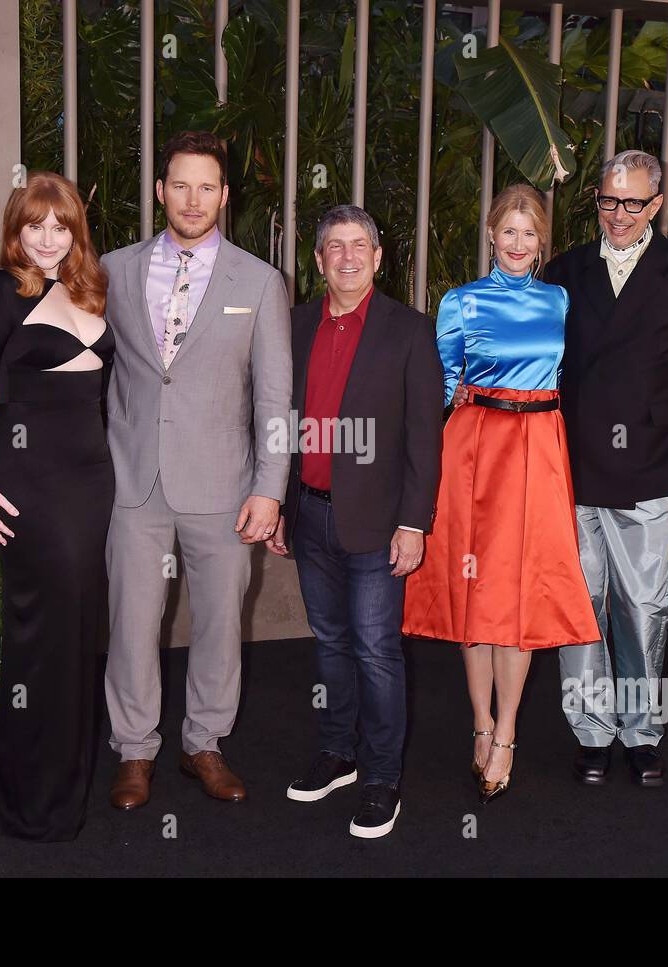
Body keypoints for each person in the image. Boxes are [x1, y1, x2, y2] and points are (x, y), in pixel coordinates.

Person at [99, 131, 291, 809]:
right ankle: (134, 749)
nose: (192, 199)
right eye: (180, 184)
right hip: (133, 482)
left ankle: (204, 741)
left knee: (219, 622)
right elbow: (74, 355)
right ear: (160, 191)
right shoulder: (111, 270)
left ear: (224, 195)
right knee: (132, 622)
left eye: (206, 186)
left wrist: (270, 489)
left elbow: (273, 397)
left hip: (225, 487)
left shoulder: (261, 282)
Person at [403, 184, 600, 804]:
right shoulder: (459, 303)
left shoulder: (561, 301)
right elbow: (438, 387)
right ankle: (480, 723)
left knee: (519, 592)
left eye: (530, 233)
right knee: (476, 589)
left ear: (543, 242)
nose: (518, 243)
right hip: (476, 450)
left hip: (539, 448)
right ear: (491, 234)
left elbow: (578, 374)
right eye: (508, 231)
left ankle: (508, 729)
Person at [547, 149, 668, 788]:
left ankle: (642, 733)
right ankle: (590, 732)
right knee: (580, 607)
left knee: (645, 609)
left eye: (631, 202)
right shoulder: (564, 270)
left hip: (652, 468)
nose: (618, 214)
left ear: (656, 205)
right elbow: (543, 369)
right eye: (607, 200)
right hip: (574, 467)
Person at [267, 205, 442, 839]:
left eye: (358, 245)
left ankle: (379, 778)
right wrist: (283, 503)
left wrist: (414, 523)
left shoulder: (409, 331)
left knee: (376, 651)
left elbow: (425, 437)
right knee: (333, 643)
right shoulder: (294, 325)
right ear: (318, 261)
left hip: (377, 522)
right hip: (309, 512)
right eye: (333, 247)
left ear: (377, 257)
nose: (346, 256)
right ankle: (338, 752)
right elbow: (281, 419)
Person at [0, 171, 113, 841]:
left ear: (76, 231)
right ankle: (29, 798)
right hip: (29, 482)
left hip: (91, 480)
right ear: (16, 230)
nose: (48, 238)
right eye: (35, 225)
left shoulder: (91, 289)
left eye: (61, 226)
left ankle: (67, 790)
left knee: (80, 633)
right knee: (40, 636)